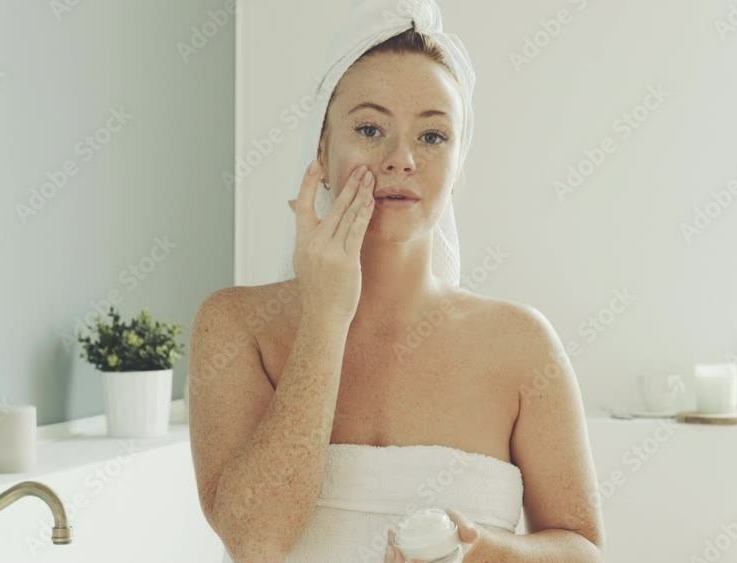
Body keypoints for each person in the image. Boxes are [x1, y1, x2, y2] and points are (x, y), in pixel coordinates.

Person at [188, 1, 605, 561]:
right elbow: (256, 542)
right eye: (369, 128)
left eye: (433, 137)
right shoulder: (236, 325)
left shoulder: (522, 345)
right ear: (322, 148)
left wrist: (490, 552)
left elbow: (584, 551)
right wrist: (324, 318)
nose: (402, 158)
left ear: (459, 161)